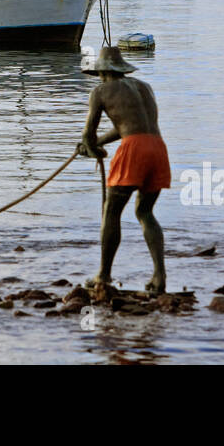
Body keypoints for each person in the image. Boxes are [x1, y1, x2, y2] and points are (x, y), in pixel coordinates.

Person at [78, 46, 171, 293]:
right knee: (145, 212)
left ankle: (104, 275)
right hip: (157, 147)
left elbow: (88, 135)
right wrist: (97, 144)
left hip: (134, 149)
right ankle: (159, 276)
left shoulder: (100, 92)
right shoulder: (144, 87)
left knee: (112, 212)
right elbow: (128, 125)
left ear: (102, 72)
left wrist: (91, 147)